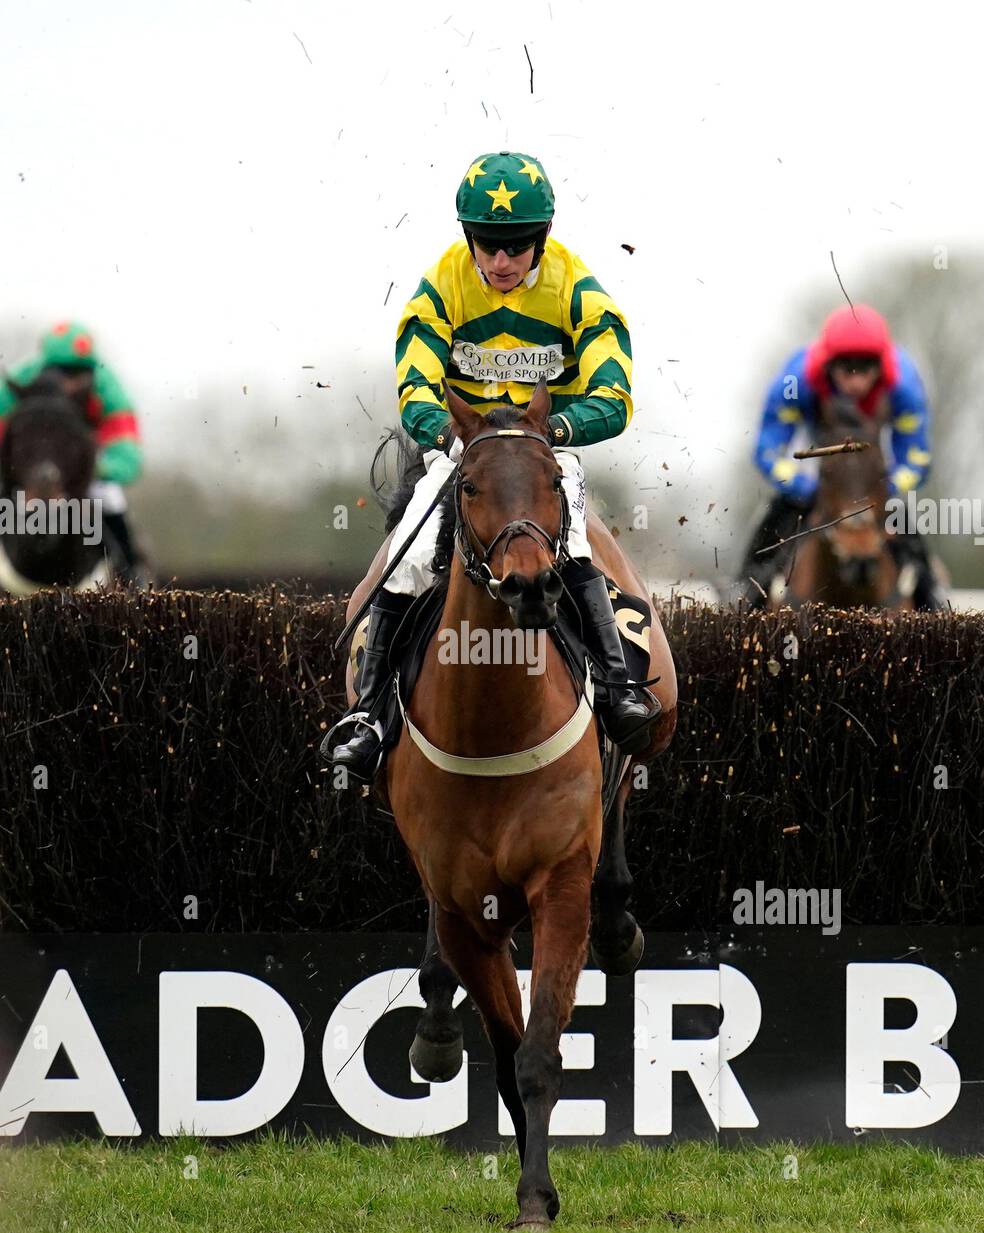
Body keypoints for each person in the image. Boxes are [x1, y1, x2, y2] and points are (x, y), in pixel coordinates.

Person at [328, 150, 658, 784]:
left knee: (577, 543)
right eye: (488, 246)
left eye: (517, 247)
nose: (501, 263)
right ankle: (370, 716)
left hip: (542, 449)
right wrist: (450, 435)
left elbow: (614, 395)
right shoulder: (439, 287)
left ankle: (618, 689)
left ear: (542, 238)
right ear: (469, 239)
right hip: (465, 450)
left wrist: (553, 430)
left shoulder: (581, 291)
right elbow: (416, 388)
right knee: (417, 547)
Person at [738, 303, 946, 608]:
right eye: (846, 369)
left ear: (881, 366)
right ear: (828, 365)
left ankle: (932, 599)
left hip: (874, 476)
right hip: (816, 474)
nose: (856, 383)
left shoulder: (904, 386)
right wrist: (801, 486)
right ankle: (747, 593)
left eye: (865, 370)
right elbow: (766, 451)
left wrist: (885, 489)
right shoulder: (796, 380)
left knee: (906, 525)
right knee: (774, 514)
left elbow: (917, 459)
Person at [0, 321, 146, 577]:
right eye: (63, 372)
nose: (72, 383)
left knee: (109, 496)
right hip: (25, 472)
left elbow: (127, 455)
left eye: (80, 373)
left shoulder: (107, 390)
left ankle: (130, 573)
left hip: (81, 472)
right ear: (45, 367)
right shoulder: (18, 384)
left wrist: (96, 468)